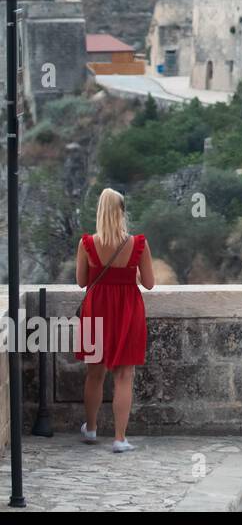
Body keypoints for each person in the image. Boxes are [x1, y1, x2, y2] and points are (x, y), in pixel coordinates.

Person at [75, 188, 155, 453]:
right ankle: (120, 438)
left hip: (96, 308)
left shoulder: (87, 243)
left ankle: (92, 427)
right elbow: (151, 284)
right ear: (122, 212)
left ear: (99, 212)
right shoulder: (138, 244)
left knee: (94, 372)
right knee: (124, 375)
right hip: (128, 310)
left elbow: (82, 281)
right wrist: (131, 275)